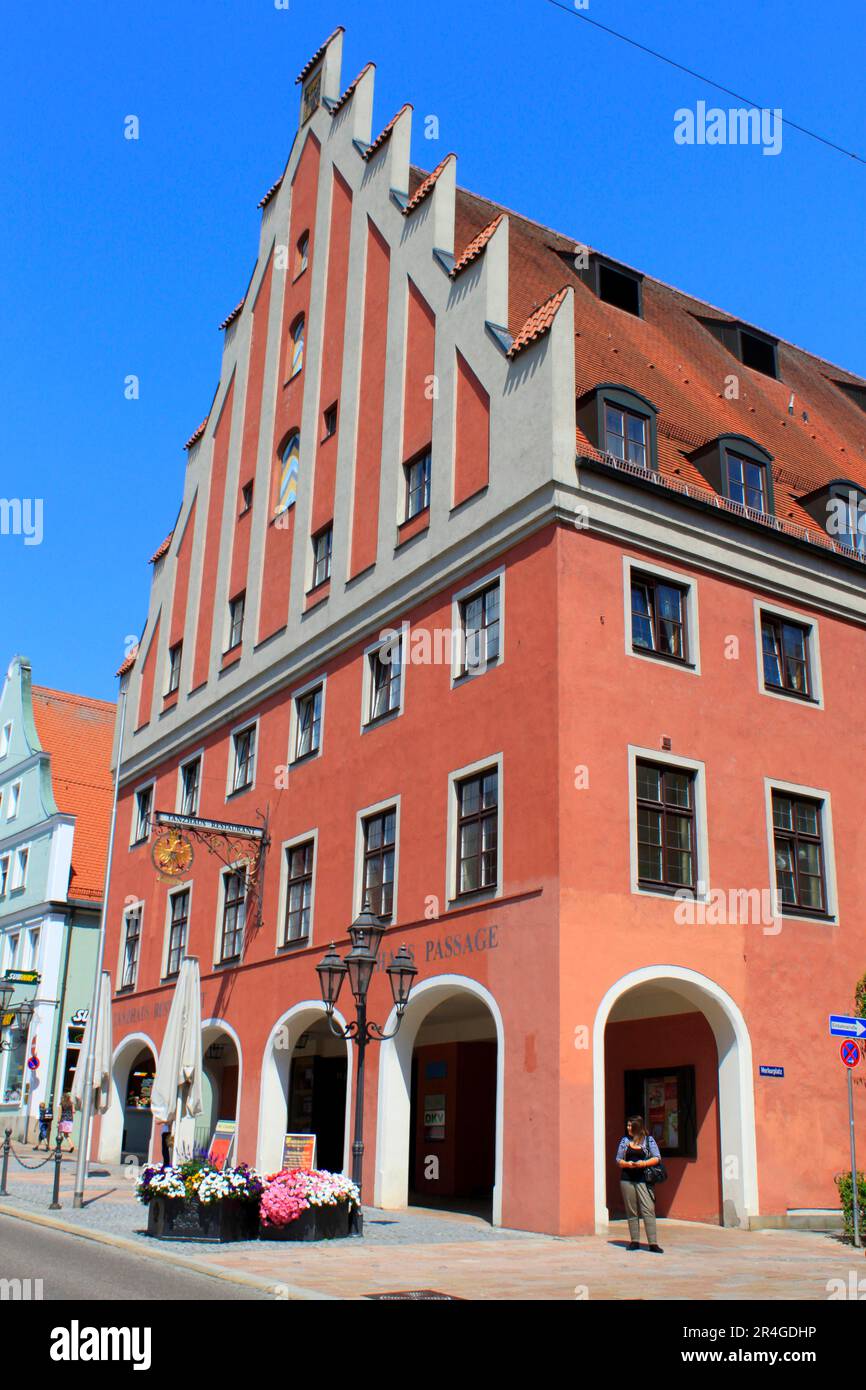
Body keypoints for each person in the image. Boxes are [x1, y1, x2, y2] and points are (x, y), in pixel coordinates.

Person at [616, 1114, 664, 1253]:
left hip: (644, 1179)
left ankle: (653, 1243)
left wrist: (643, 1163)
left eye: (631, 1125)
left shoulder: (649, 1141)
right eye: (627, 1125)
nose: (628, 1128)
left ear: (638, 1127)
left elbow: (657, 1158)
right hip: (627, 1179)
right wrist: (627, 1164)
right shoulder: (625, 1141)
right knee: (631, 1211)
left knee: (648, 1209)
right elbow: (618, 1159)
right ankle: (634, 1241)